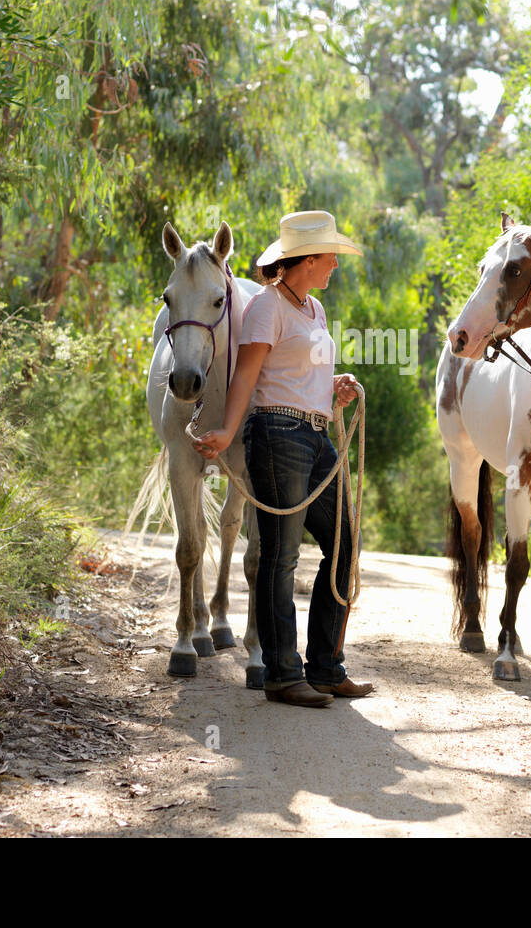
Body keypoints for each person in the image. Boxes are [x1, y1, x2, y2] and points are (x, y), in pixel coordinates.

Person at [191, 210, 372, 708]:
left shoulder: (314, 310)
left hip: (316, 435)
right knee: (281, 554)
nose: (336, 263)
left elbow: (301, 373)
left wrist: (332, 389)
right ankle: (281, 673)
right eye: (330, 256)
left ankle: (324, 668)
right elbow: (248, 375)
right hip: (277, 433)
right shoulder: (267, 308)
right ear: (307, 259)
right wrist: (227, 430)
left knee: (343, 545)